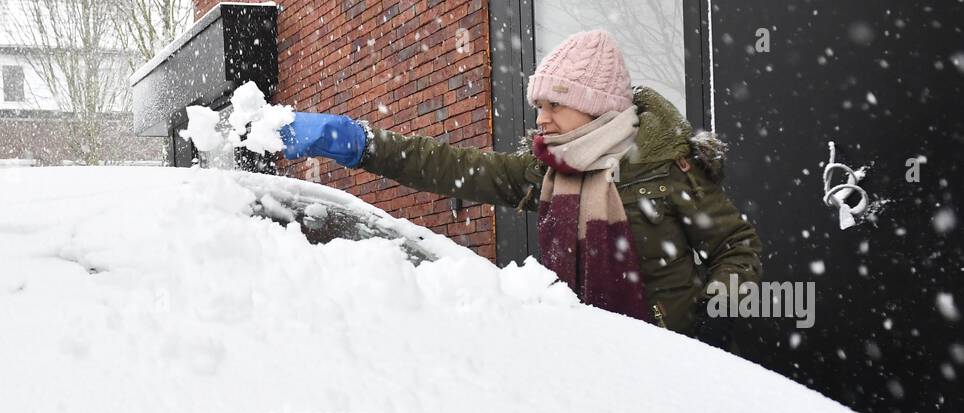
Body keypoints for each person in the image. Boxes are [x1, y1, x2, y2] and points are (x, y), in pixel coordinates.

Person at [279, 29, 762, 351]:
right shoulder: (549, 171)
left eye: (555, 104)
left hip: (672, 354)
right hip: (586, 353)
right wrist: (363, 143)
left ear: (595, 108)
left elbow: (735, 246)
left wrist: (710, 313)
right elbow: (454, 167)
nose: (541, 118)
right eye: (538, 106)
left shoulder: (667, 166)